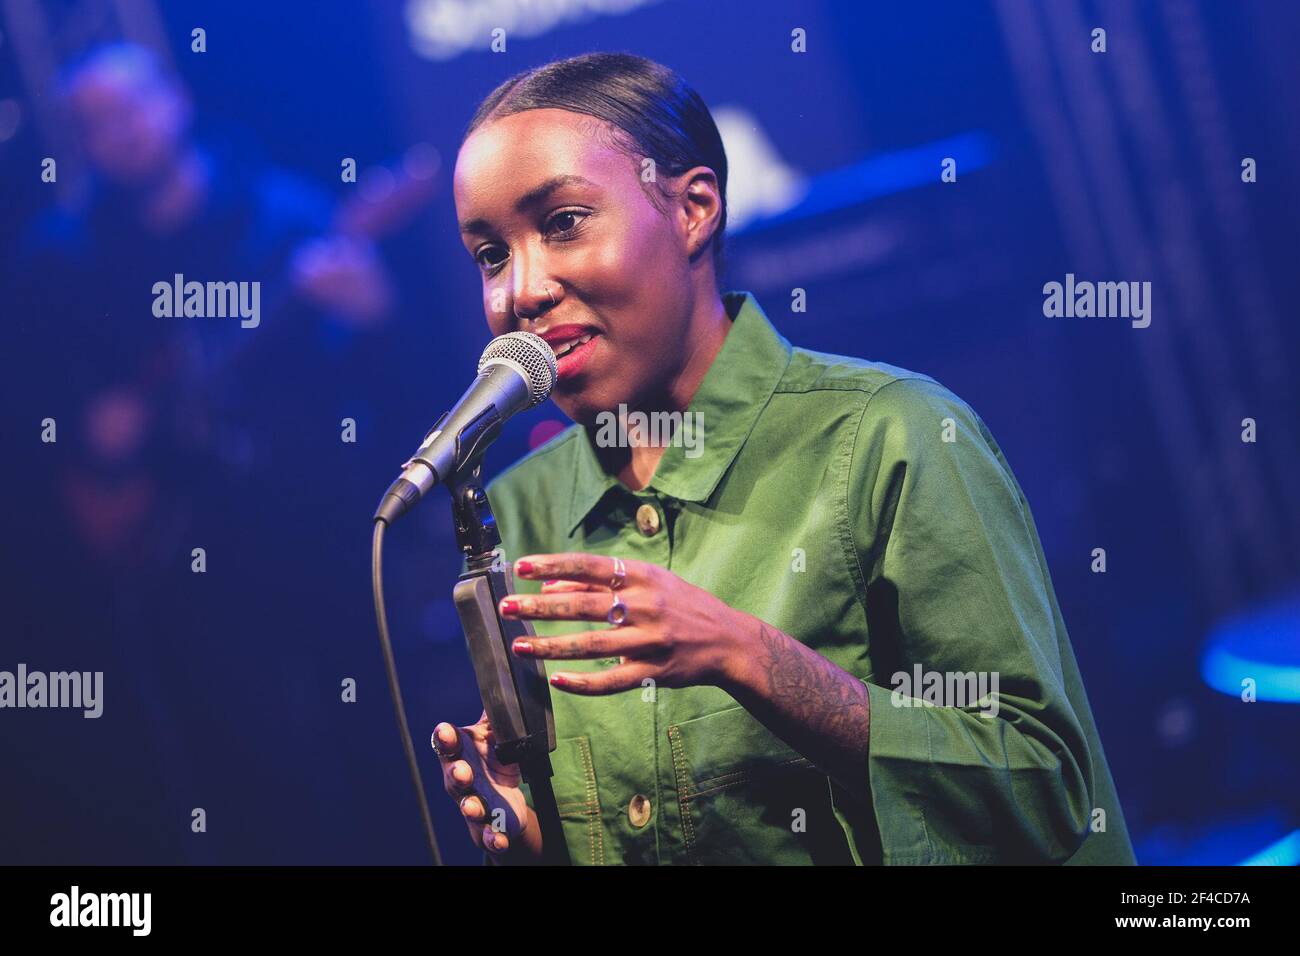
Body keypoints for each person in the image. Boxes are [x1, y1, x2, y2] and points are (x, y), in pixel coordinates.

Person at [431, 52, 1136, 865]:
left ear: (694, 209)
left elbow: (1044, 792)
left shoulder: (892, 435)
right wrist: (528, 838)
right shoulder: (517, 513)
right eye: (491, 254)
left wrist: (750, 655)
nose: (520, 291)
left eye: (562, 223)